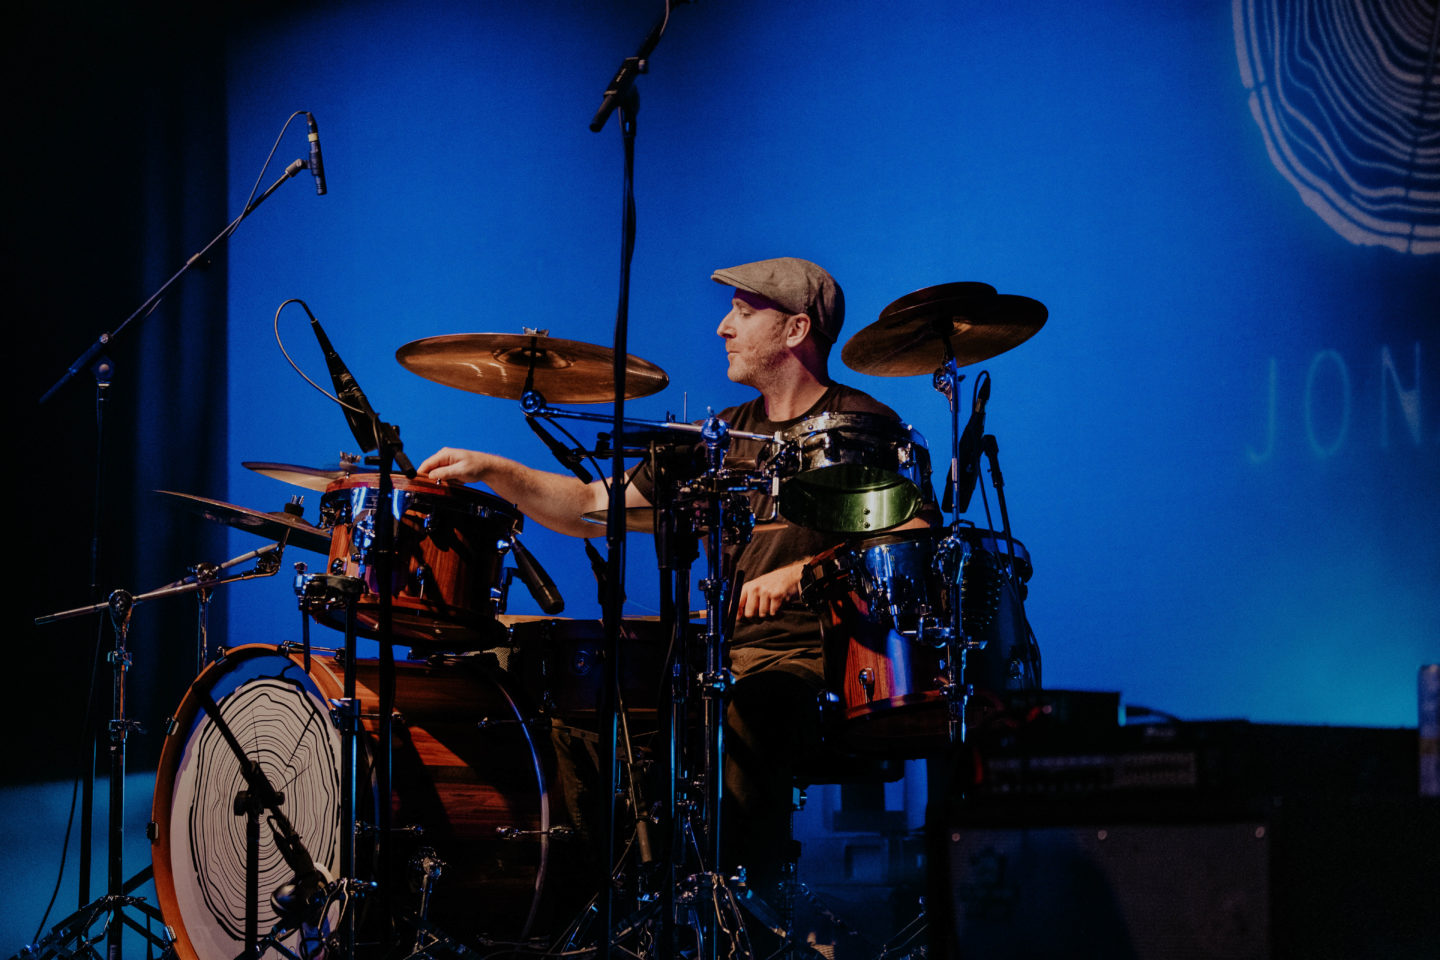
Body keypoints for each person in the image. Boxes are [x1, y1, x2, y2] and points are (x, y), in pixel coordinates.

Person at [418, 256, 934, 896]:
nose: (724, 327)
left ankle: (744, 912)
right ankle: (606, 904)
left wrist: (801, 573)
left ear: (796, 329)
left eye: (743, 313)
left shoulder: (859, 425)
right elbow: (592, 506)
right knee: (585, 715)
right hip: (720, 658)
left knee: (745, 711)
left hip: (819, 663)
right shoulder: (721, 438)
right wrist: (495, 470)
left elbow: (914, 532)